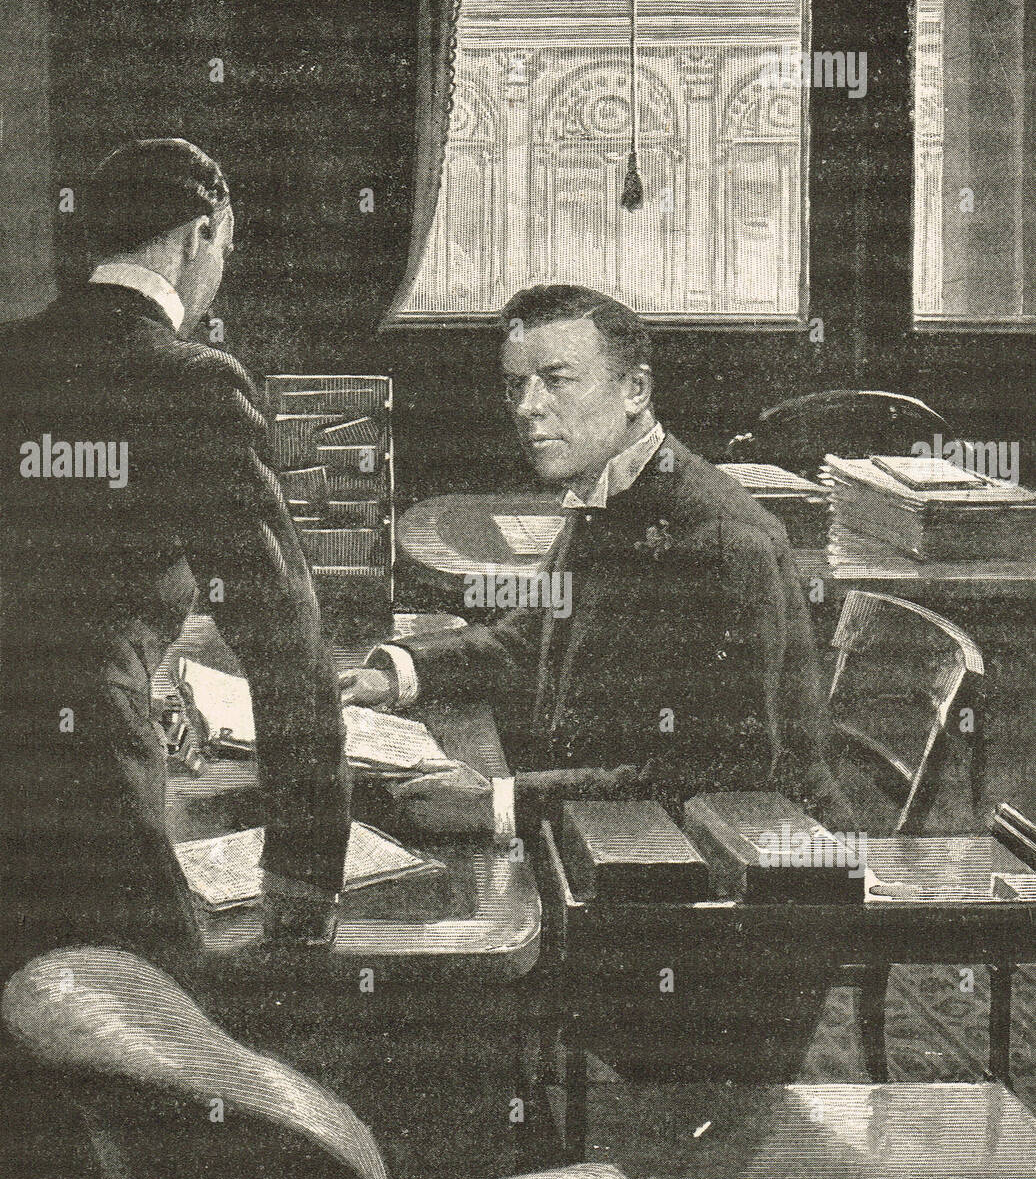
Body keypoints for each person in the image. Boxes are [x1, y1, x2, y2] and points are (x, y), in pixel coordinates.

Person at [1, 138, 348, 976]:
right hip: (84, 786)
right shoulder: (191, 382)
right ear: (202, 231)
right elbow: (285, 638)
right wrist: (305, 867)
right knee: (157, 1039)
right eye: (223, 249)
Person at [341, 283, 851, 844]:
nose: (528, 406)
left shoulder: (723, 542)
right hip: (614, 833)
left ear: (635, 389)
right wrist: (395, 675)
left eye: (556, 380)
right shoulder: (606, 490)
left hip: (750, 873)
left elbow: (722, 778)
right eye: (517, 385)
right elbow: (531, 641)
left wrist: (501, 805)